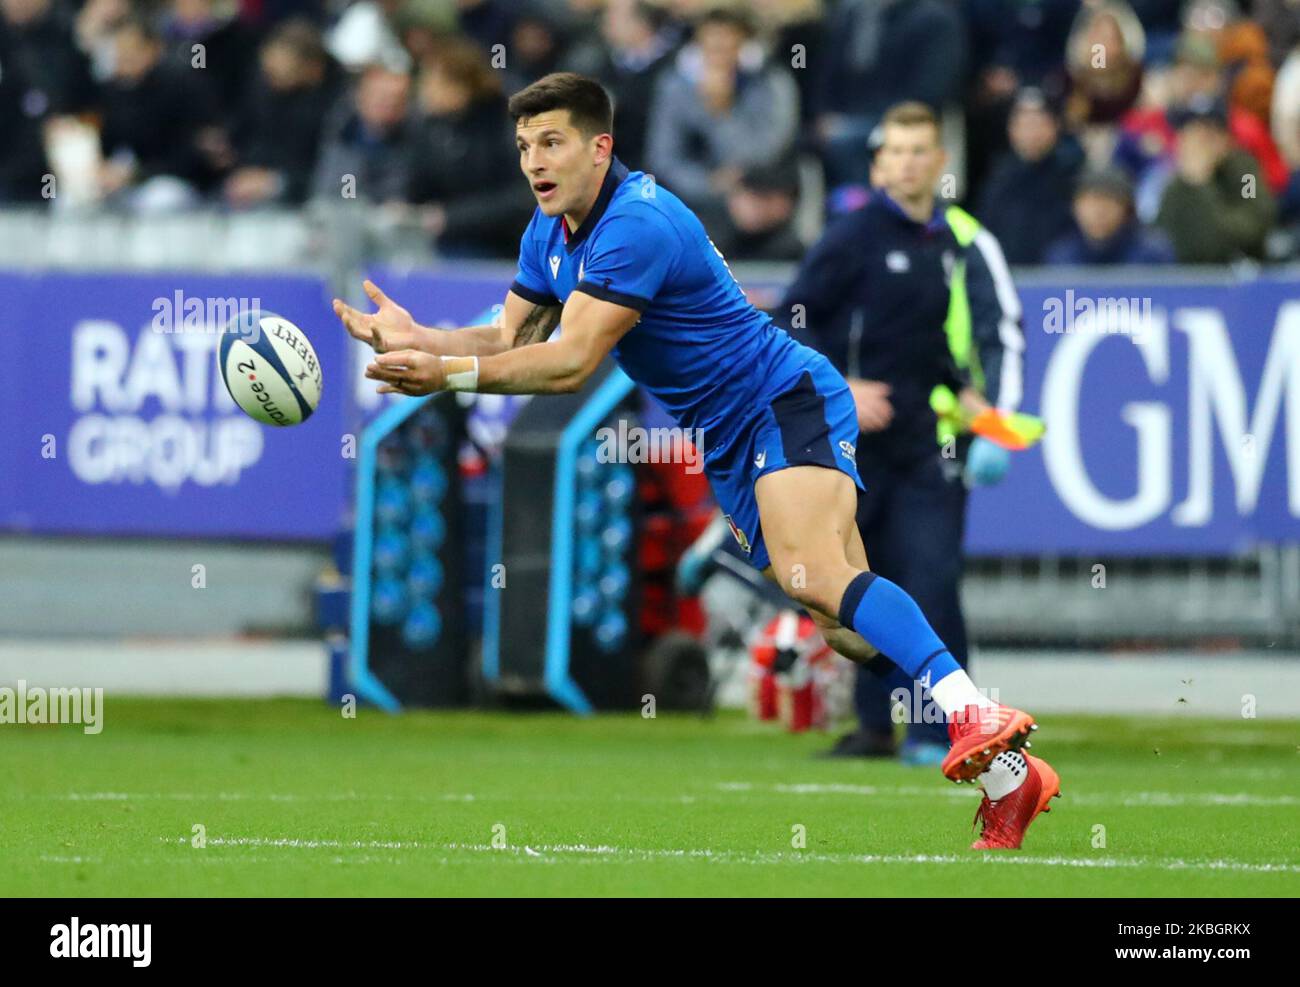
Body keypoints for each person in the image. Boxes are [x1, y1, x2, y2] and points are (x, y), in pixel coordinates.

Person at [332, 72, 1060, 850]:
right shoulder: (549, 232)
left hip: (784, 397)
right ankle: (1013, 779)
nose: (533, 162)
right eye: (522, 146)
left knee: (812, 572)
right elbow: (511, 339)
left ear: (599, 146)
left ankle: (973, 709)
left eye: (551, 142)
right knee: (837, 621)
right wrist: (422, 338)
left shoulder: (636, 223)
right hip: (729, 434)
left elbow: (572, 362)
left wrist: (446, 376)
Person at [778, 102, 1026, 770]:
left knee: (932, 575)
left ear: (940, 162)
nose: (909, 163)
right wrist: (843, 389)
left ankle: (946, 728)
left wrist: (987, 413)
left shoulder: (961, 242)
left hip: (931, 441)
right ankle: (872, 724)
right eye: (897, 151)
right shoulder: (851, 235)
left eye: (922, 150)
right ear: (878, 162)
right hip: (852, 443)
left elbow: (991, 336)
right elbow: (791, 319)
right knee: (857, 580)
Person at [1045, 166, 1175, 264]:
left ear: (1126, 209)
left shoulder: (1152, 254)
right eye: (1091, 202)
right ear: (1075, 207)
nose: (1099, 212)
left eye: (1108, 202)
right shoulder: (1061, 257)